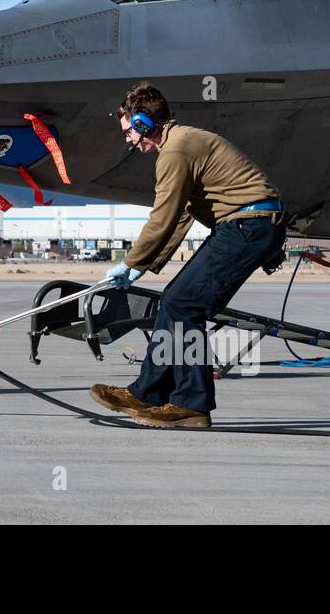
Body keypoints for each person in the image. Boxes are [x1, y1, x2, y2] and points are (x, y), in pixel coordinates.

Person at [90, 82, 286, 428]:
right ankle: (149, 393)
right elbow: (181, 215)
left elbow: (163, 215)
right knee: (175, 302)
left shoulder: (175, 151)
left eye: (128, 132)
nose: (128, 140)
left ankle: (190, 405)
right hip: (249, 225)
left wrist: (131, 262)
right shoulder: (182, 142)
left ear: (143, 125)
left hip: (248, 225)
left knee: (184, 304)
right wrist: (143, 266)